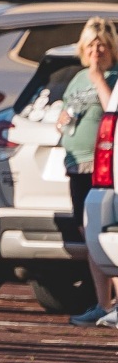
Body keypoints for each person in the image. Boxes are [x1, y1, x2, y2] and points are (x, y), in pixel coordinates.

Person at [62, 18, 118, 326]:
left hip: (102, 168)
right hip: (76, 165)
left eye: (102, 45)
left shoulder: (112, 77)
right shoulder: (77, 78)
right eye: (91, 45)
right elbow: (68, 110)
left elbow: (113, 110)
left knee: (105, 233)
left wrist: (99, 80)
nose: (96, 50)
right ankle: (102, 303)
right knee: (90, 235)